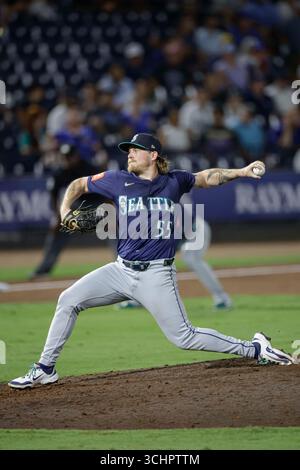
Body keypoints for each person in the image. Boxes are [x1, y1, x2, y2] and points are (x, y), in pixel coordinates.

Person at [9, 133, 295, 389]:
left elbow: (207, 177)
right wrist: (63, 210)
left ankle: (255, 349)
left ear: (153, 155)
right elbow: (78, 184)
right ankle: (45, 369)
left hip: (156, 276)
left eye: (135, 149)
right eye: (128, 150)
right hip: (120, 271)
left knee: (184, 337)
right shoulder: (116, 180)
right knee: (68, 299)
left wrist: (241, 171)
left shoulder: (174, 182)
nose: (129, 153)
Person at [29, 144, 105, 280]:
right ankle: (43, 270)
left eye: (70, 157)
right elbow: (53, 194)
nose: (67, 160)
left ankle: (126, 266)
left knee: (116, 228)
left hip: (98, 205)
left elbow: (106, 190)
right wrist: (57, 218)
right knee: (58, 231)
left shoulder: (90, 168)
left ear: (76, 156)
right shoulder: (61, 172)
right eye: (65, 157)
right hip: (78, 207)